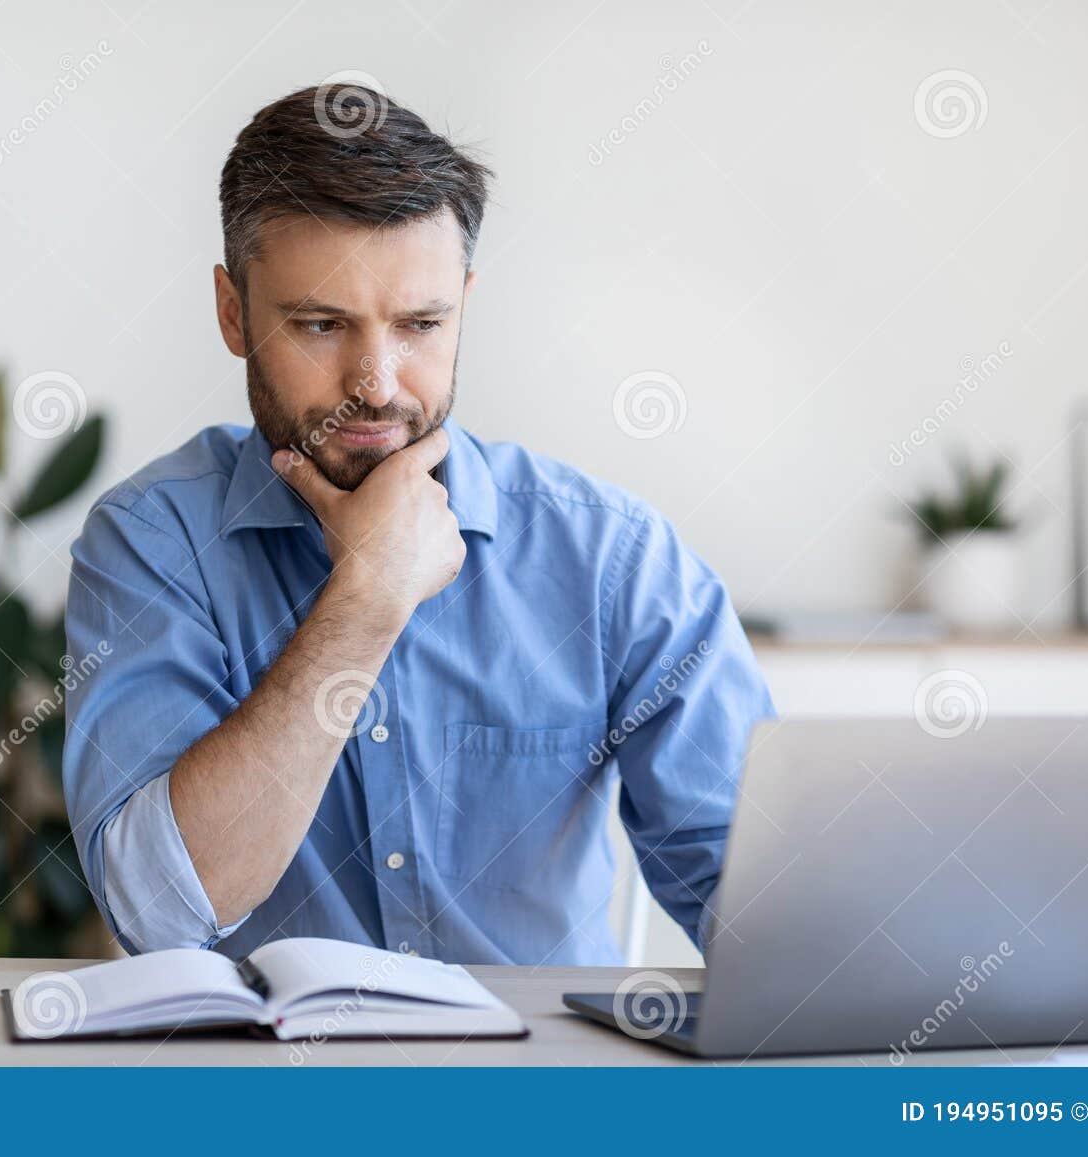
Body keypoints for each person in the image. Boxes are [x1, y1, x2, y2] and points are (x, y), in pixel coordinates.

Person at [62, 83, 773, 965]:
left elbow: (768, 915)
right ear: (234, 313)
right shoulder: (153, 542)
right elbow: (157, 912)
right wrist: (367, 597)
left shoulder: (613, 560)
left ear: (462, 305)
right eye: (322, 324)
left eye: (421, 324)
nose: (377, 382)